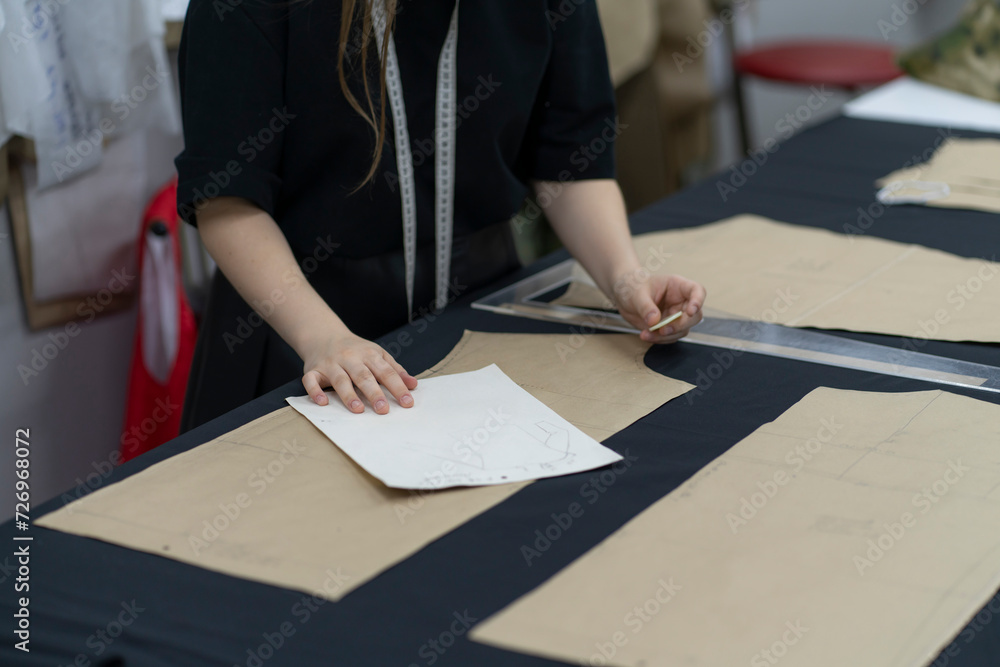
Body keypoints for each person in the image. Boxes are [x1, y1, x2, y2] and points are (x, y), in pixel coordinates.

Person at [175, 0, 707, 430]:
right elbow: (227, 198)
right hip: (295, 325)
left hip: (481, 308)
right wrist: (321, 337)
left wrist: (624, 276)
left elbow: (570, 160)